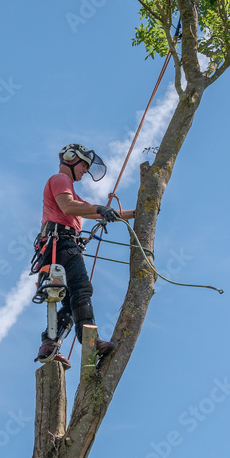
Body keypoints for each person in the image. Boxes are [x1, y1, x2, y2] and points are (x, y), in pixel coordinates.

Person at [35, 143, 134, 368]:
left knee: (70, 303)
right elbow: (68, 207)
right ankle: (90, 340)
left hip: (56, 247)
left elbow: (94, 212)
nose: (86, 170)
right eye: (84, 165)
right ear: (71, 158)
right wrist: (100, 209)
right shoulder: (60, 180)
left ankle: (49, 344)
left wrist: (137, 213)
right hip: (61, 243)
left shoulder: (71, 190)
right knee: (82, 289)